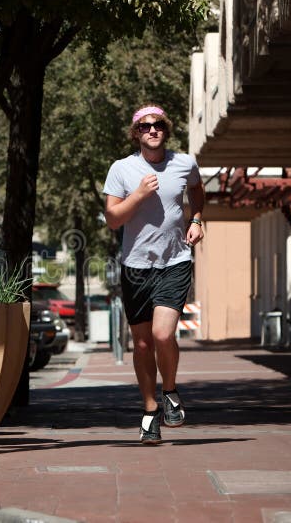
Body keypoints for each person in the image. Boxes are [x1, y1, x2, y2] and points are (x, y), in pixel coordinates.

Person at [103, 104, 205, 444]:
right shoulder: (121, 169)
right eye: (145, 126)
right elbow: (113, 219)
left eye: (158, 124)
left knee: (163, 335)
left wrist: (197, 219)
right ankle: (150, 411)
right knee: (143, 343)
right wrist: (140, 195)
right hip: (135, 266)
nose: (152, 130)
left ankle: (171, 390)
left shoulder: (185, 163)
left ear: (166, 129)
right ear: (136, 132)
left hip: (175, 260)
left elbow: (197, 190)